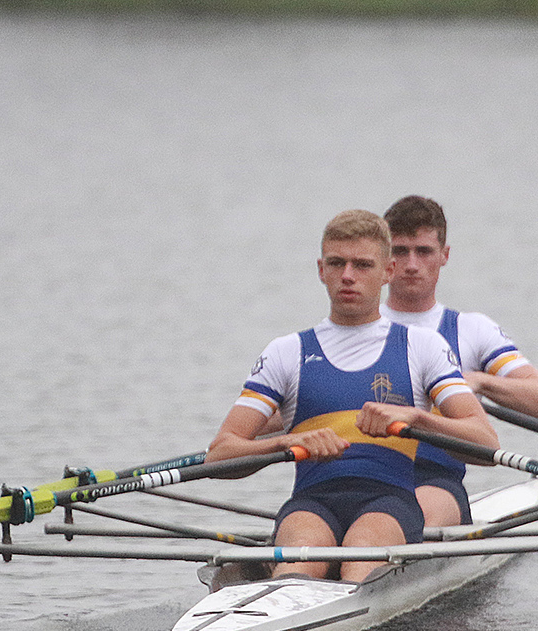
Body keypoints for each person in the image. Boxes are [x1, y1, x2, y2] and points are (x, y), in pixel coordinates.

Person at [208, 210, 500, 583]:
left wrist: (417, 418)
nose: (348, 275)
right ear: (320, 270)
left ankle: (350, 591)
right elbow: (220, 452)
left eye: (362, 265)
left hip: (389, 502)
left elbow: (486, 442)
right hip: (312, 502)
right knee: (296, 568)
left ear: (387, 272)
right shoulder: (286, 352)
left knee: (359, 567)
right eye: (337, 263)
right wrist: (287, 441)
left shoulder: (423, 346)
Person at [381, 194, 538, 529]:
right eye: (400, 251)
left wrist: (480, 381)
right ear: (384, 258)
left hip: (433, 482)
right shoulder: (354, 329)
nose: (411, 264)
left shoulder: (471, 331)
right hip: (362, 479)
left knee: (403, 518)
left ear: (444, 256)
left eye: (423, 251)